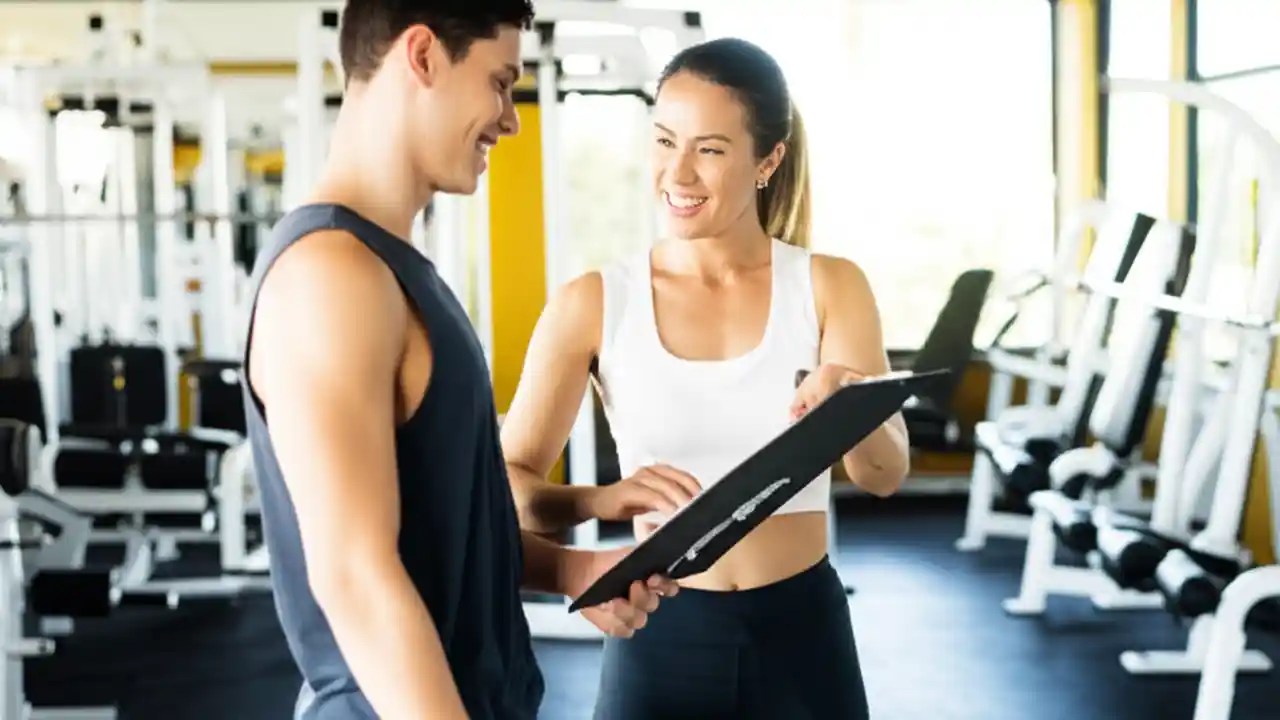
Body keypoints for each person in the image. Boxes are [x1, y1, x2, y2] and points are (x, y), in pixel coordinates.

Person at [239, 2, 678, 718]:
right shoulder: (330, 275)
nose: (509, 119)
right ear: (422, 56)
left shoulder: (390, 266)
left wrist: (571, 569)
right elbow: (355, 576)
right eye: (500, 83)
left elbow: (447, 518)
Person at [500, 37, 910, 719]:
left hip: (803, 632)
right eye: (665, 141)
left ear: (768, 160)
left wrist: (850, 409)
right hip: (657, 630)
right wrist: (603, 501)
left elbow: (884, 475)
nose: (678, 173)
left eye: (710, 149)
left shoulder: (830, 285)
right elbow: (511, 490)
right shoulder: (594, 303)